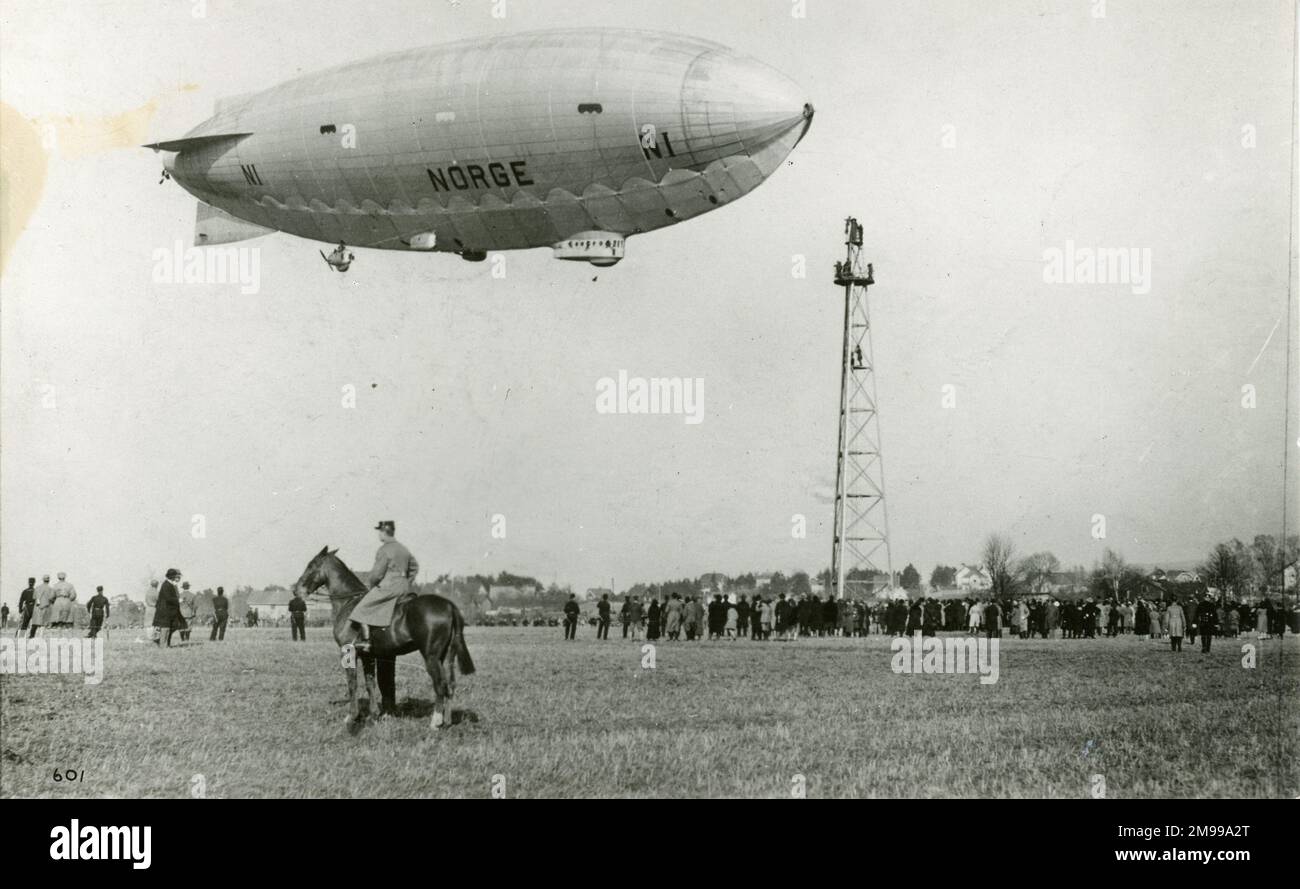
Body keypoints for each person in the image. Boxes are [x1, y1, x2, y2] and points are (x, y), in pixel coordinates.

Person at [351, 520, 418, 651]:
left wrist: (371, 586)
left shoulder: (384, 549)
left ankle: (366, 641)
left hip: (389, 586)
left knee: (361, 608)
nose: (378, 535)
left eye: (379, 532)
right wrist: (406, 581)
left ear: (383, 532)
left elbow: (377, 574)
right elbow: (415, 567)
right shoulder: (403, 548)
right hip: (403, 587)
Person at [154, 569, 183, 647]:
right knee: (165, 627)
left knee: (171, 626)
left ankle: (164, 643)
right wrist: (178, 600)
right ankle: (163, 644)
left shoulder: (169, 584)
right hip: (166, 610)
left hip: (169, 610)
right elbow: (168, 598)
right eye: (176, 576)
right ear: (172, 577)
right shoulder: (166, 585)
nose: (177, 578)